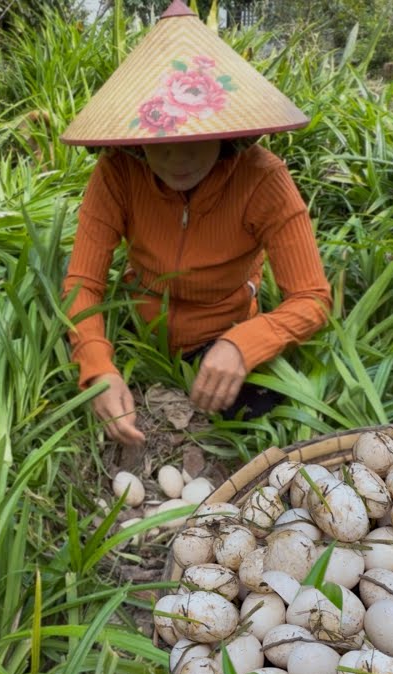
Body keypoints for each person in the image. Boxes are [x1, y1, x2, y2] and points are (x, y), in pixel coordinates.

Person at [59, 0, 332, 447]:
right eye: (161, 142)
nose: (178, 158)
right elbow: (83, 283)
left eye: (197, 140)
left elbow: (312, 298)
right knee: (79, 394)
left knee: (259, 413)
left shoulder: (262, 179)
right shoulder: (117, 173)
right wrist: (97, 367)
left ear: (225, 131)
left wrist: (244, 343)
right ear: (137, 136)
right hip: (140, 328)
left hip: (222, 329)